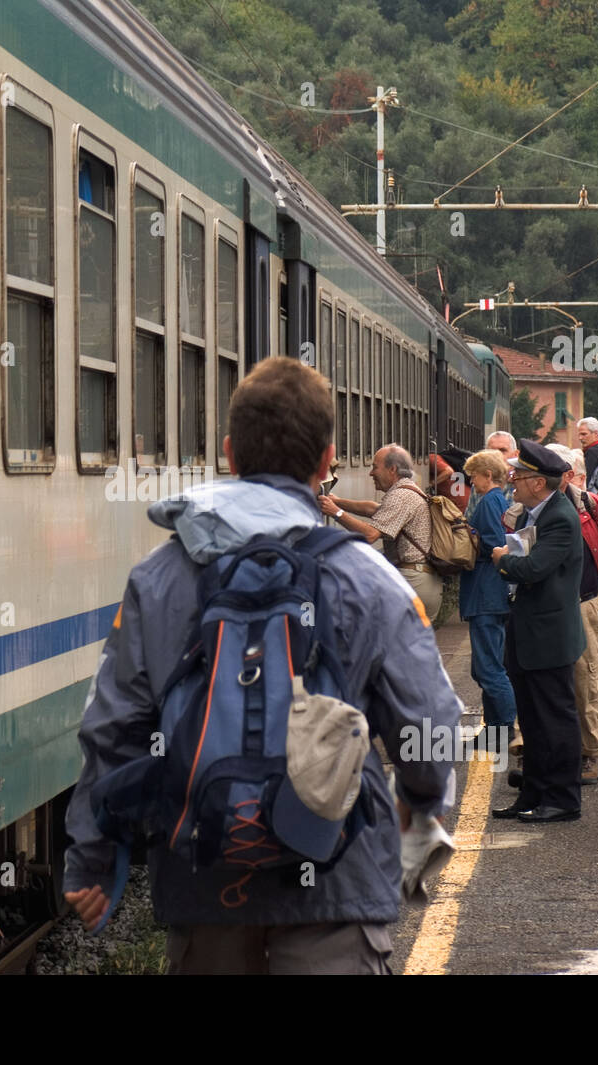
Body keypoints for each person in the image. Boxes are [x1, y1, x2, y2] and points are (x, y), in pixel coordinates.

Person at [63, 357, 462, 974]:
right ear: (328, 460)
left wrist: (92, 855)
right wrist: (422, 801)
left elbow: (111, 728)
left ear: (229, 453)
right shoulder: (368, 576)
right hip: (336, 883)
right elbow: (428, 722)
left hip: (206, 878)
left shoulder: (160, 576)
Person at [490, 440, 586, 823]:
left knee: (554, 719)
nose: (512, 481)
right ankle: (532, 793)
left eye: (519, 476)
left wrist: (502, 559)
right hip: (530, 632)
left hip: (548, 636)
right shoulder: (536, 512)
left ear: (537, 483)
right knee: (531, 719)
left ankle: (562, 798)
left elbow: (533, 569)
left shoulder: (559, 517)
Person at [549, 445, 598, 786]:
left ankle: (588, 750)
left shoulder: (591, 506)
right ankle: (541, 750)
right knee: (542, 679)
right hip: (544, 606)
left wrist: (597, 592)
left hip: (582, 602)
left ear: (569, 475)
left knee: (584, 677)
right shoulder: (529, 505)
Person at [320, 445, 444, 622]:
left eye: (375, 467)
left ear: (392, 469)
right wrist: (338, 502)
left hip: (412, 582)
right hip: (421, 582)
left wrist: (336, 512)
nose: (371, 473)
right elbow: (375, 509)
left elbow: (370, 535)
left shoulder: (400, 496)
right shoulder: (409, 489)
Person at [459, 449, 516, 749]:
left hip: (486, 590)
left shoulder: (490, 501)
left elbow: (495, 543)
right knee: (486, 665)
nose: (472, 482)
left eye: (474, 477)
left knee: (489, 667)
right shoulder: (497, 500)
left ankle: (504, 726)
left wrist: (466, 539)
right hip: (488, 591)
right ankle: (493, 727)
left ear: (488, 475)